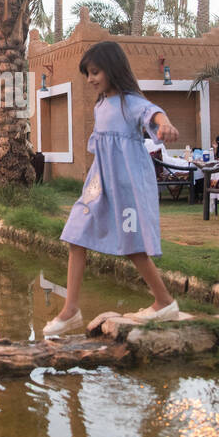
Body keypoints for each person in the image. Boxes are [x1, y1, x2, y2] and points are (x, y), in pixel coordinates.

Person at [45, 41, 181, 337]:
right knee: (75, 233)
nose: (91, 79)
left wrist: (165, 123)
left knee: (133, 247)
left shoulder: (130, 102)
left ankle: (164, 301)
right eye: (88, 74)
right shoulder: (101, 103)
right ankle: (70, 310)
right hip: (99, 182)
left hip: (127, 184)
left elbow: (153, 113)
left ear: (113, 69)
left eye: (95, 72)